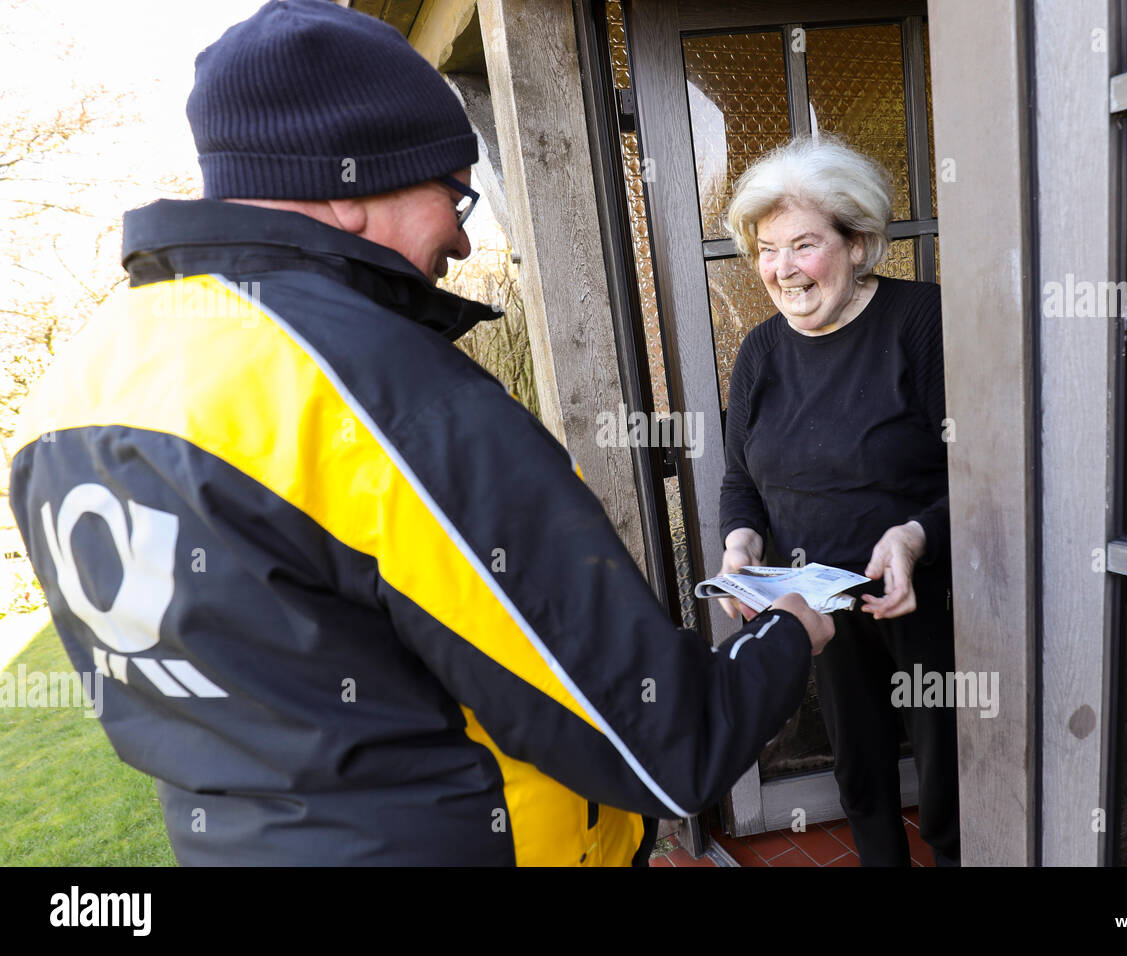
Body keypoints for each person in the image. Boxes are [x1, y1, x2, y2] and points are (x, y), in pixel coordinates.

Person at [8, 0, 834, 866]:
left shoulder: (82, 379)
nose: (465, 235)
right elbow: (664, 743)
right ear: (347, 184)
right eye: (452, 189)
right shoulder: (370, 388)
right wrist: (786, 632)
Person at [716, 135, 960, 866]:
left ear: (858, 244)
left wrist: (915, 537)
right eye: (766, 248)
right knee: (859, 772)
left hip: (925, 597)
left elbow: (986, 471)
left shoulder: (921, 322)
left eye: (803, 245)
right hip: (820, 603)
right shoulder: (760, 354)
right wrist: (740, 545)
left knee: (950, 777)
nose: (781, 269)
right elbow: (741, 483)